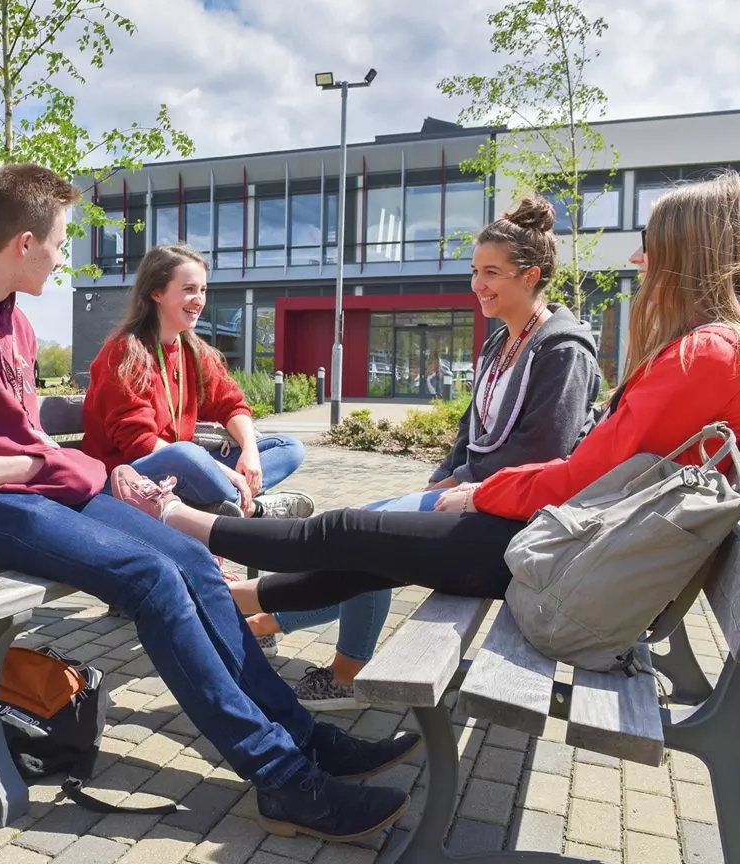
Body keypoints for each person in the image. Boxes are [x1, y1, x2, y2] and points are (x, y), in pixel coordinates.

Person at [0, 162, 418, 842]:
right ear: (24, 242)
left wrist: (103, 476)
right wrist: (40, 462)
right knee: (151, 579)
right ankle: (282, 777)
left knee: (190, 560)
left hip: (37, 495)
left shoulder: (12, 323)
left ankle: (303, 734)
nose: (64, 257)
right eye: (61, 240)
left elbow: (31, 439)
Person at [108, 170, 740, 624]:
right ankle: (238, 595)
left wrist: (479, 493)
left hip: (563, 554)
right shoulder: (737, 350)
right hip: (587, 543)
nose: (637, 260)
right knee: (368, 536)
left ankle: (180, 523)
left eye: (649, 244)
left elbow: (581, 473)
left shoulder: (704, 354)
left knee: (356, 530)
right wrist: (465, 481)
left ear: (686, 252)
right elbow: (594, 467)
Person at [249, 196, 603, 710]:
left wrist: (469, 488)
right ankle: (271, 623)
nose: (478, 284)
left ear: (532, 276)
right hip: (469, 496)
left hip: (508, 515)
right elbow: (471, 426)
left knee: (366, 537)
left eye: (492, 273)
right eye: (475, 271)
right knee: (367, 529)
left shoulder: (562, 350)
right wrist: (444, 474)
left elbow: (542, 451)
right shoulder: (499, 341)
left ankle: (329, 662)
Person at [81, 244, 314, 520]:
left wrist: (250, 454)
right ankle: (252, 509)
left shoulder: (192, 350)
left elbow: (231, 404)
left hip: (187, 469)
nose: (199, 300)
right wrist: (221, 470)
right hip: (130, 477)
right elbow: (138, 442)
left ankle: (222, 504)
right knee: (187, 455)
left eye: (203, 290)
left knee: (288, 448)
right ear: (156, 292)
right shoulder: (124, 352)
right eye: (189, 289)